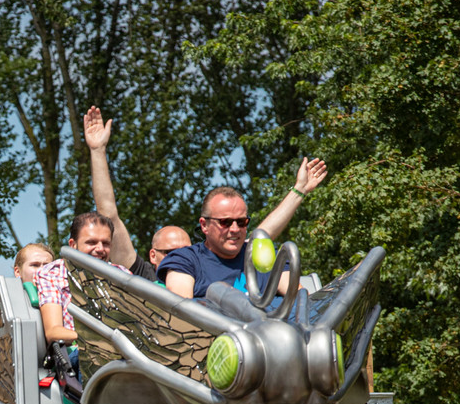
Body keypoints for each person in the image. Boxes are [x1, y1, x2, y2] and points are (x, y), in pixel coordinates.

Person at [158, 159, 329, 300]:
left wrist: (300, 189)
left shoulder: (261, 257)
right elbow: (181, 312)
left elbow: (301, 301)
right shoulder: (185, 260)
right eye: (225, 222)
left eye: (241, 222)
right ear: (204, 225)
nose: (234, 229)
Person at [83, 106, 191, 281]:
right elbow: (108, 215)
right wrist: (97, 151)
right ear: (153, 256)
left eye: (187, 252)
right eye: (171, 253)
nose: (181, 259)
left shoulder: (203, 282)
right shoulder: (145, 278)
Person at [33, 211, 128, 345]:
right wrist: (103, 338)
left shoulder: (122, 274)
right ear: (73, 245)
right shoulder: (53, 273)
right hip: (80, 351)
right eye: (91, 242)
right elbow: (54, 332)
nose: (100, 249)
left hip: (127, 353)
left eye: (106, 243)